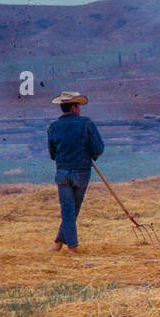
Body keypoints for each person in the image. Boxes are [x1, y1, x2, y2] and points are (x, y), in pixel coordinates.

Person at [47, 91, 104, 253]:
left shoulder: (53, 127)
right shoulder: (87, 123)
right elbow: (99, 148)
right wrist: (91, 155)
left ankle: (58, 242)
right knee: (73, 209)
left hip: (62, 172)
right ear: (73, 107)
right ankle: (72, 247)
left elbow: (52, 154)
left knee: (67, 209)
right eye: (78, 106)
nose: (79, 109)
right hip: (82, 171)